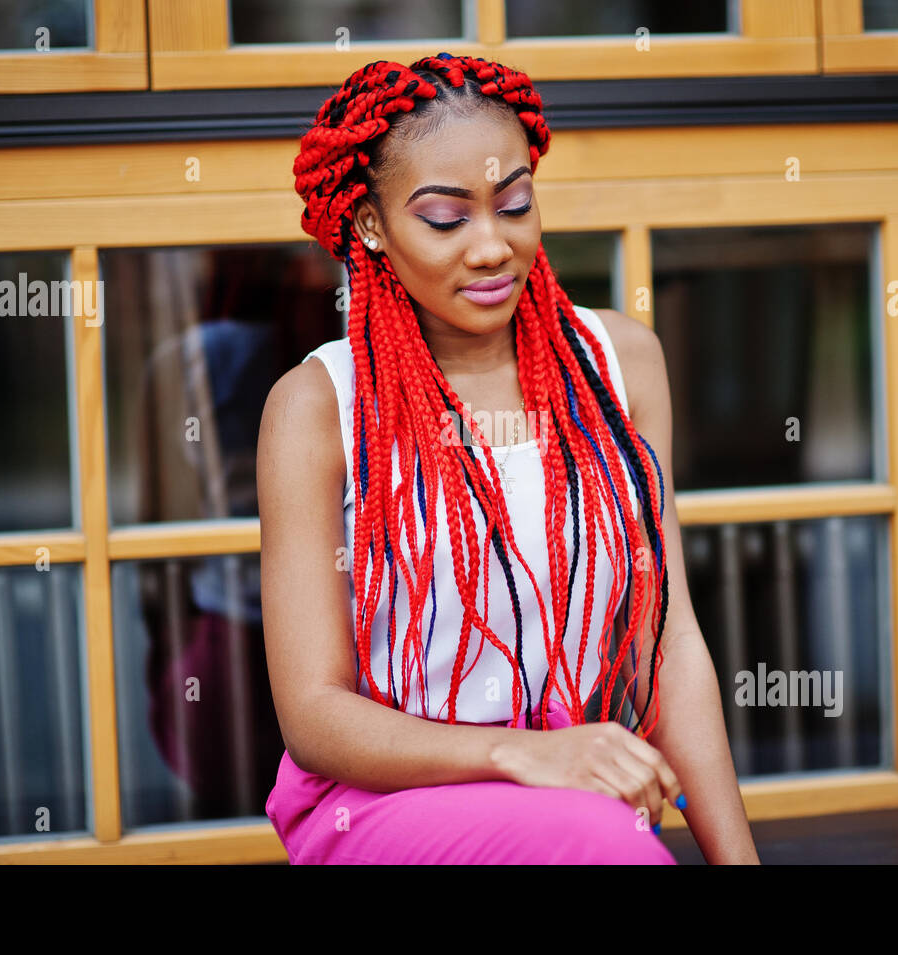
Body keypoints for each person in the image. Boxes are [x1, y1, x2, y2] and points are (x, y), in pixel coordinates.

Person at [257, 53, 759, 864]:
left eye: (515, 204)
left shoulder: (620, 362)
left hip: (575, 784)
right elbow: (314, 716)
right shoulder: (317, 406)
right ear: (371, 225)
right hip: (386, 799)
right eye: (447, 219)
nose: (492, 246)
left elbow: (669, 647)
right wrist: (519, 755)